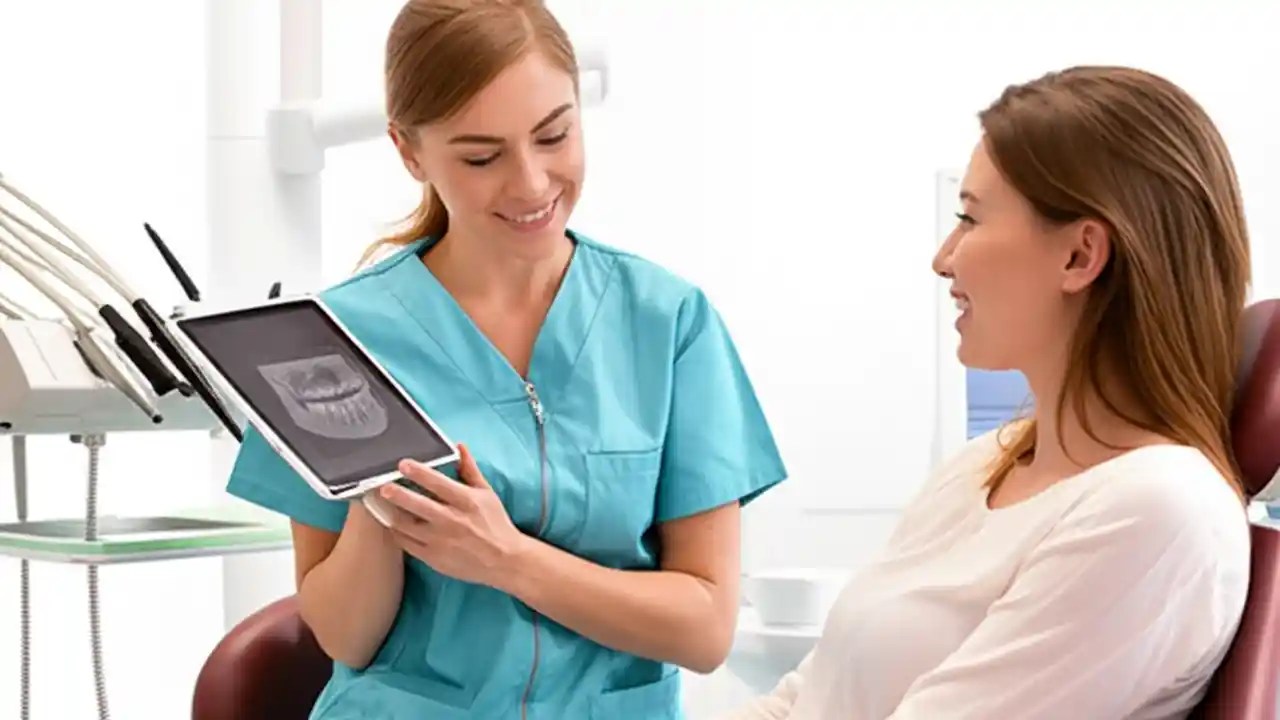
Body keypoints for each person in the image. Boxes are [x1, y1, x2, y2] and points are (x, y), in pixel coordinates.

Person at [224, 1, 787, 718]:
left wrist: (507, 560)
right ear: (409, 151)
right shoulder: (335, 341)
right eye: (481, 157)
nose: (531, 184)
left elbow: (705, 629)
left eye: (554, 135)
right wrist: (381, 496)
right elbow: (344, 637)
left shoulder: (668, 322)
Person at [727, 66, 1253, 720]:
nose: (944, 258)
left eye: (969, 218)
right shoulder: (983, 466)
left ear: (1079, 256)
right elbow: (805, 699)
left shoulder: (1160, 513)